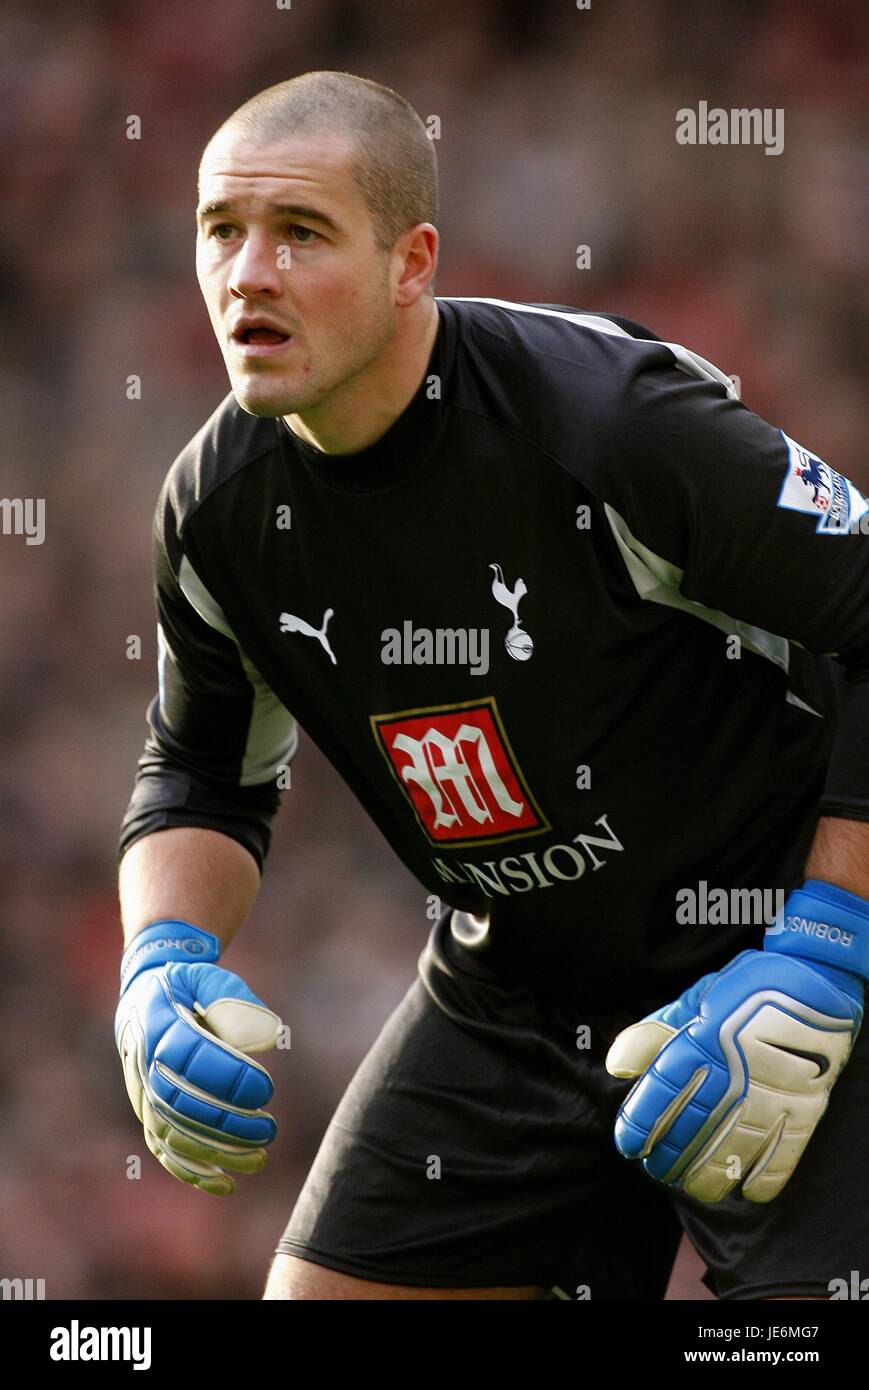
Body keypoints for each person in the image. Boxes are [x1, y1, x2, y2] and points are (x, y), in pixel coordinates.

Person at [114, 70, 869, 1301]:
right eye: (221, 231)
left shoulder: (606, 424)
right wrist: (162, 955)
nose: (247, 271)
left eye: (299, 233)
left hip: (783, 944)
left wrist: (831, 941)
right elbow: (198, 774)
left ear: (412, 261)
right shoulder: (216, 513)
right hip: (515, 989)